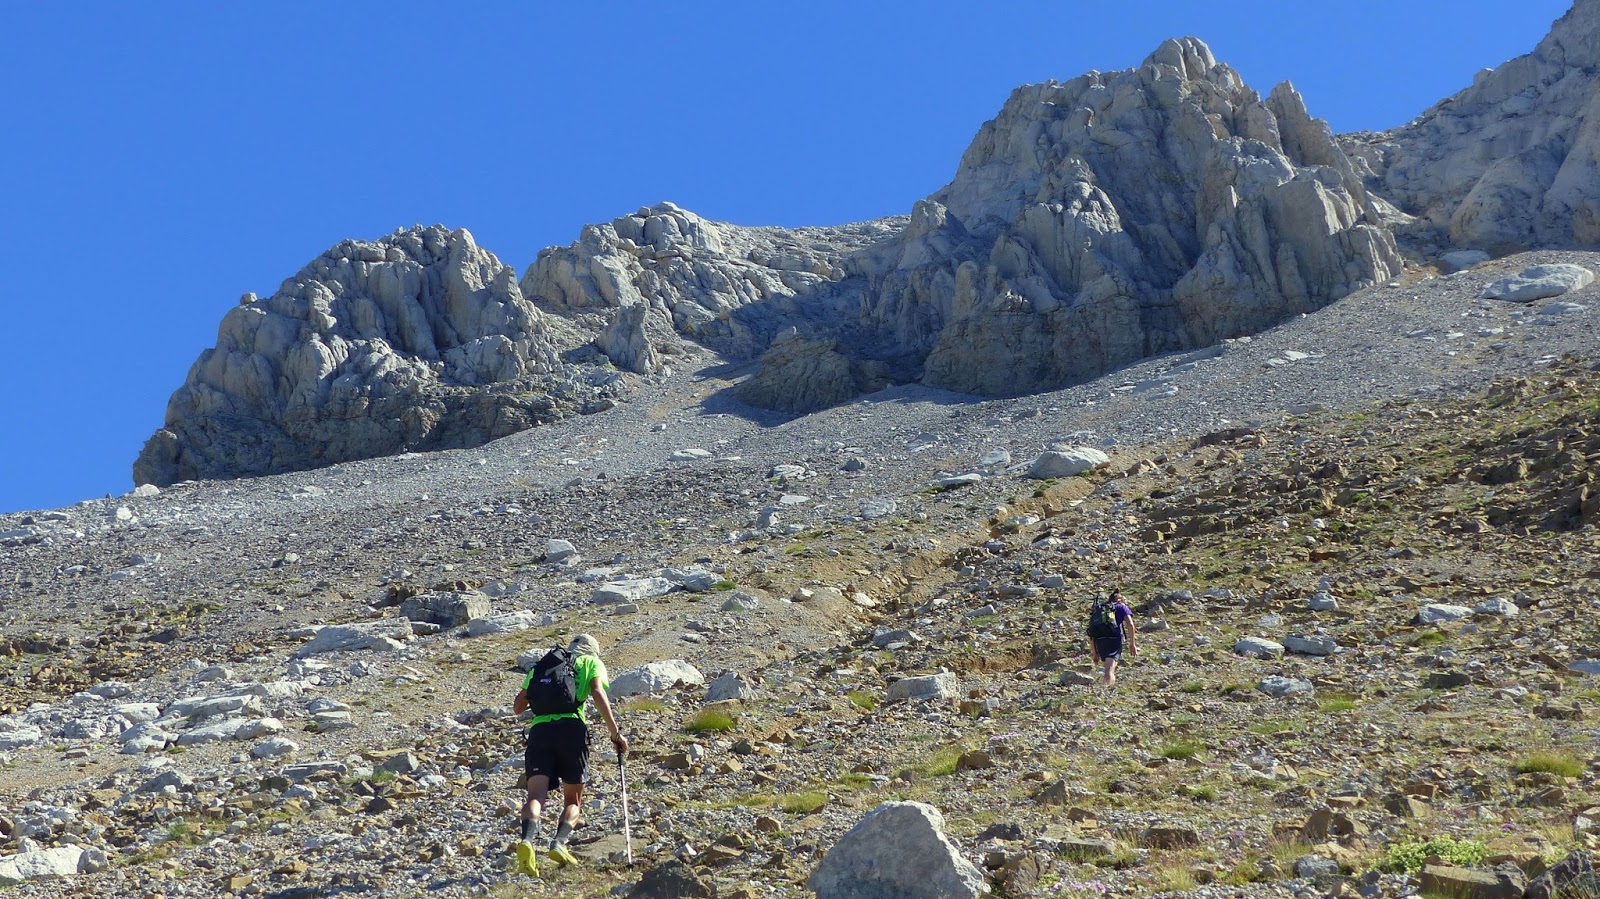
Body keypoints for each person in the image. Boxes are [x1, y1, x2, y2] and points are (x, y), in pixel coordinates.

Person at [512, 633, 627, 877]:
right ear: (592, 651)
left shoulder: (545, 665)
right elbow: (597, 693)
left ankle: (527, 841)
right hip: (572, 730)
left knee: (536, 795)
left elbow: (518, 707)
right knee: (573, 801)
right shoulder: (590, 663)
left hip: (540, 731)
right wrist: (615, 734)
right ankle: (559, 844)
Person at [1087, 591, 1137, 686]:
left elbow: (1092, 632)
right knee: (1109, 669)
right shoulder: (1121, 606)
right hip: (1114, 638)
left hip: (1099, 640)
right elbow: (1130, 624)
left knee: (1108, 667)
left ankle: (1106, 689)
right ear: (1119, 600)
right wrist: (1132, 643)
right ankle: (1107, 691)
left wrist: (1094, 653)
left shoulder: (1100, 610)